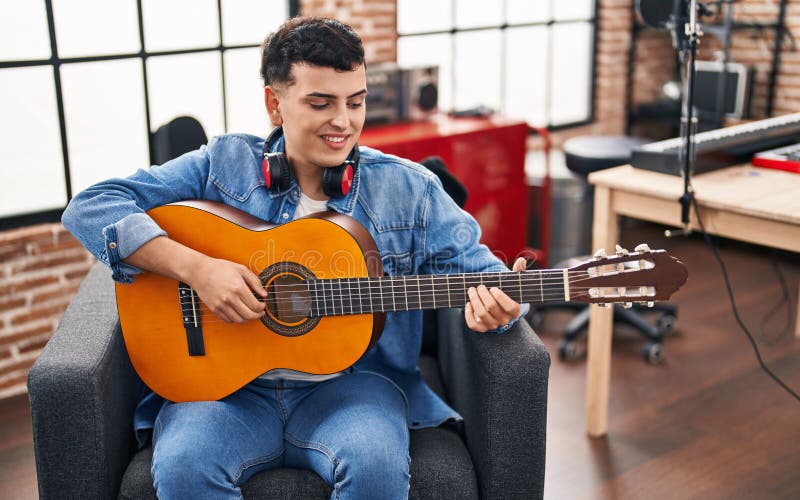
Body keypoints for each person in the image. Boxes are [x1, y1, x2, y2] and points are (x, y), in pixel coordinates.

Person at [62, 16, 527, 499]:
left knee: (376, 465)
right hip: (223, 390)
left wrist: (503, 308)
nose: (343, 122)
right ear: (274, 104)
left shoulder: (411, 190)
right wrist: (198, 269)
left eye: (356, 102)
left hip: (353, 388)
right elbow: (91, 206)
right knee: (184, 467)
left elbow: (487, 276)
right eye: (321, 103)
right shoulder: (222, 165)